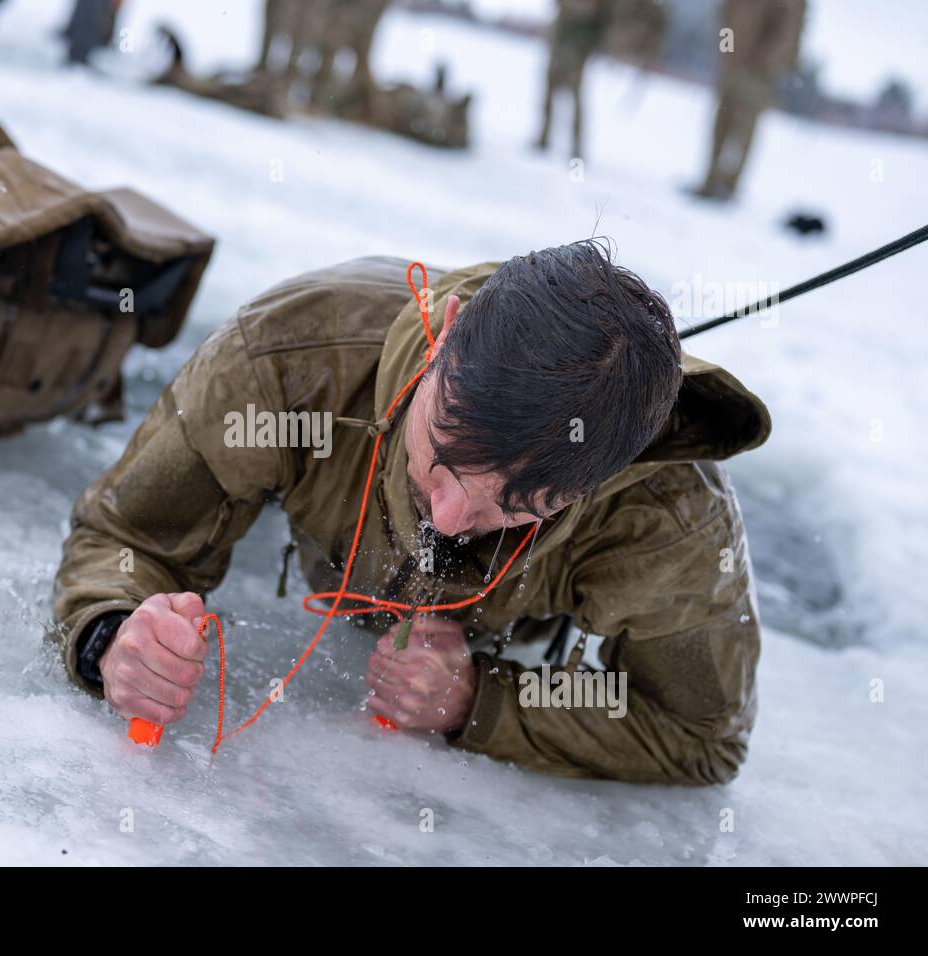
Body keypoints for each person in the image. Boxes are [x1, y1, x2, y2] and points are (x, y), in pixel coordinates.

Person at [50, 242, 771, 786]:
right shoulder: (290, 358)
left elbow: (699, 733)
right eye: (447, 449)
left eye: (519, 503)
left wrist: (478, 703)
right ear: (447, 332)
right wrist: (113, 632)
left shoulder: (664, 513)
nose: (454, 516)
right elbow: (125, 534)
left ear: (602, 479)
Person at [693, 0, 806, 200]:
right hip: (732, 65)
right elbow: (727, 16)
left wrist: (764, 64)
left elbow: (788, 30)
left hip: (758, 75)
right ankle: (710, 181)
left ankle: (728, 186)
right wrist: (727, 52)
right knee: (721, 124)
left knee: (742, 130)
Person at [535, 0, 614, 158]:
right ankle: (543, 138)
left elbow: (600, 15)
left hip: (579, 45)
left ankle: (576, 148)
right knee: (549, 89)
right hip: (561, 39)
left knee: (575, 96)